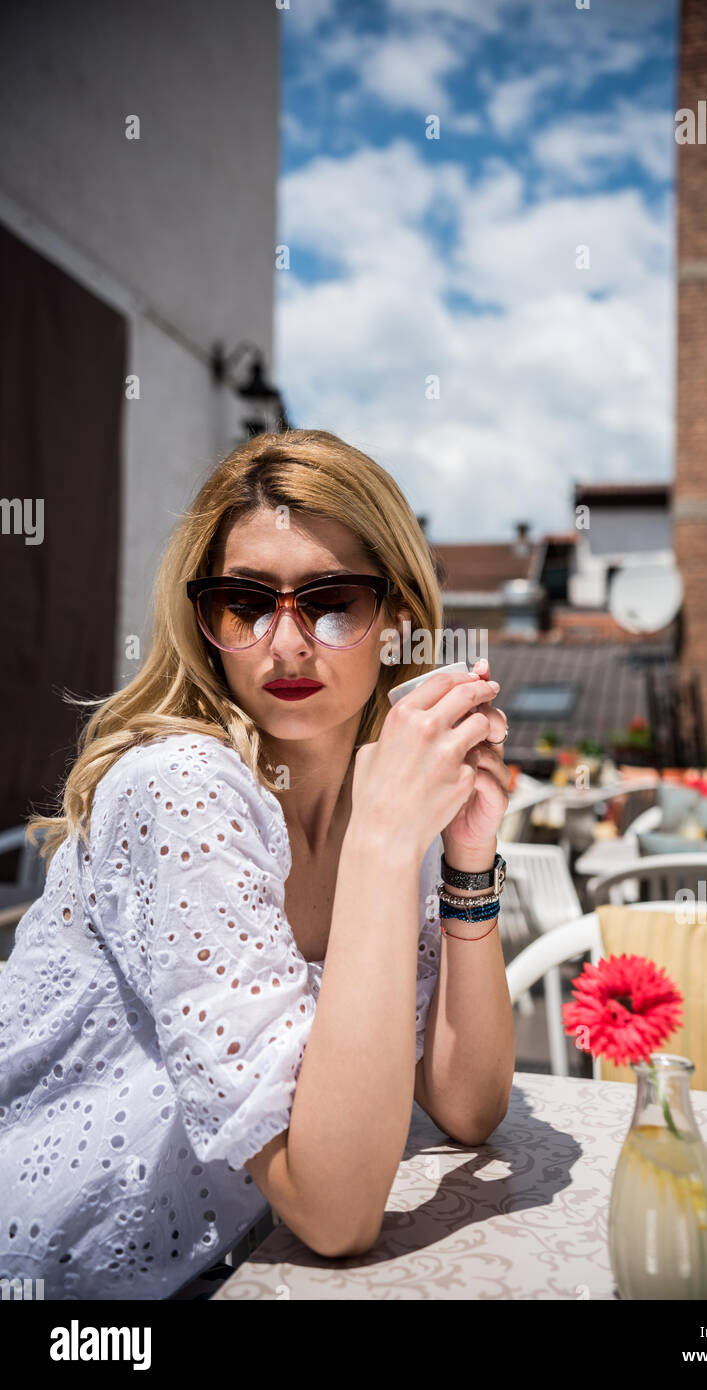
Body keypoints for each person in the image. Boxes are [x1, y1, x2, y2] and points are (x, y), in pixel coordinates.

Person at [0, 429, 515, 1300]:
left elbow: (468, 1108)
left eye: (332, 601)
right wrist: (387, 848)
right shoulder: (181, 788)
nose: (285, 645)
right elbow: (336, 1214)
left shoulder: (382, 793)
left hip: (245, 1263)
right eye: (244, 604)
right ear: (206, 624)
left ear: (398, 621)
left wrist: (464, 856)